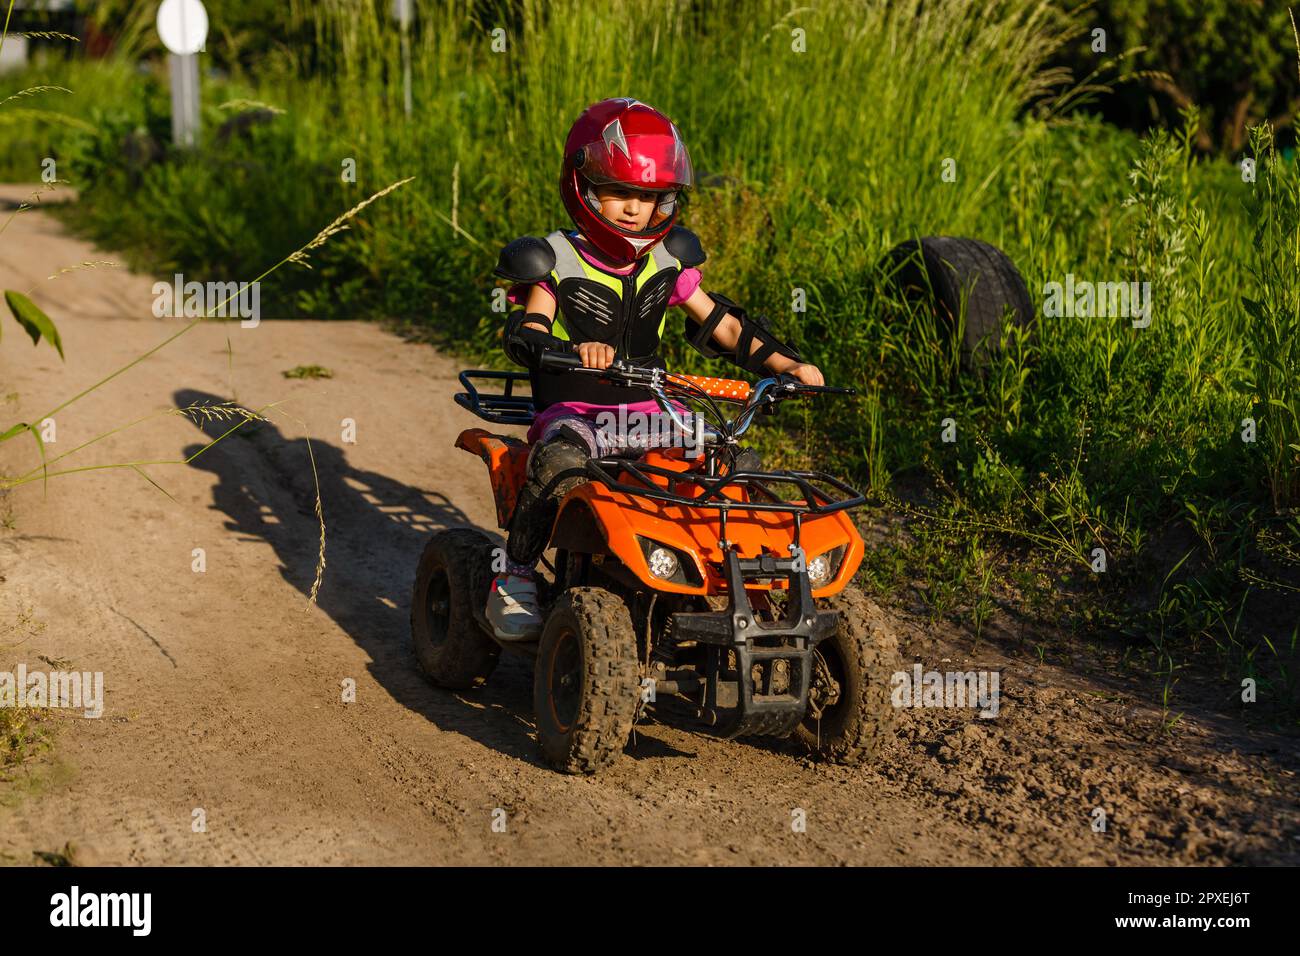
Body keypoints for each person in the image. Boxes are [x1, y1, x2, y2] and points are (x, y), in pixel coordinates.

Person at [487, 97, 822, 641]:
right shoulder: (552, 261)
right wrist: (569, 350)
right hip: (577, 411)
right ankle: (517, 575)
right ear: (585, 186)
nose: (633, 209)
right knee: (556, 462)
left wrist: (788, 364)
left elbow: (726, 327)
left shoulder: (667, 260)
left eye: (648, 196)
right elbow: (530, 330)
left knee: (732, 461)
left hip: (651, 409)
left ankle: (759, 574)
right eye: (619, 192)